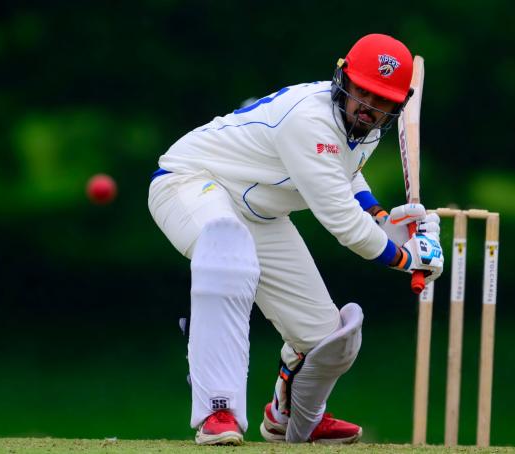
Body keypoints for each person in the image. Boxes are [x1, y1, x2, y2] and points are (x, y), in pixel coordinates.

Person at [147, 33, 444, 445]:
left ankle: (290, 417)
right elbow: (342, 221)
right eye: (363, 92)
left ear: (397, 105)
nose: (369, 107)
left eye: (382, 101)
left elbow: (346, 174)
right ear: (342, 79)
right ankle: (218, 410)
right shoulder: (309, 120)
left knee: (327, 339)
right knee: (228, 250)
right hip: (190, 182)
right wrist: (405, 258)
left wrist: (380, 217)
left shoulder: (366, 129)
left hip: (259, 213)